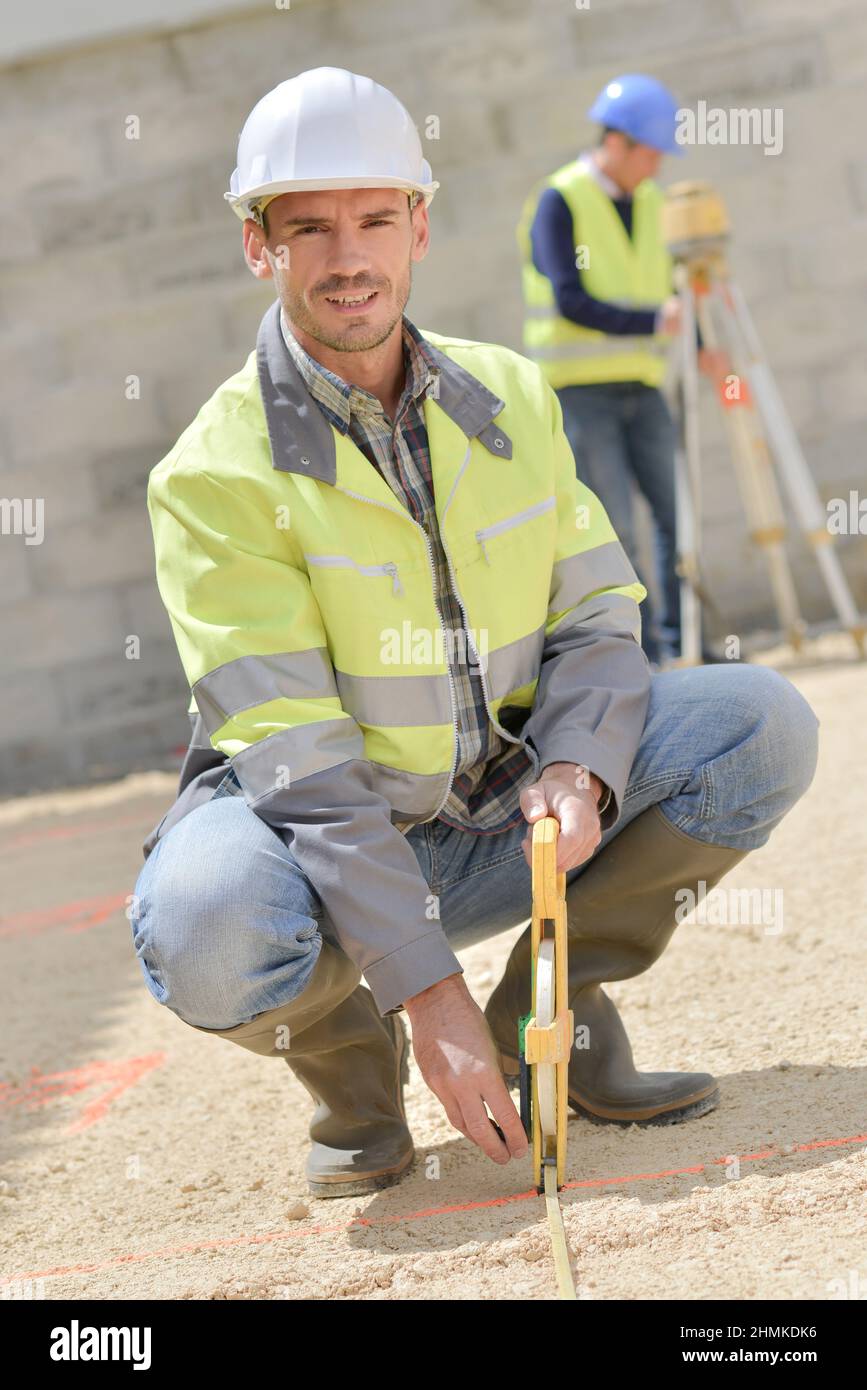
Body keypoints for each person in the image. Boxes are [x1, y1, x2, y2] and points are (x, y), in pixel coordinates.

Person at [131, 67, 819, 1199]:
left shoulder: (508, 397)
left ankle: (552, 1013)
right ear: (259, 244)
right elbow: (298, 760)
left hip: (499, 804)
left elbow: (599, 611)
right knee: (208, 928)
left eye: (373, 220)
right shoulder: (211, 475)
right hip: (327, 845)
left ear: (421, 226)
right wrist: (422, 986)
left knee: (760, 725)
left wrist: (579, 762)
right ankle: (360, 1074)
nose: (348, 258)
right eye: (309, 229)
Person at [517, 73, 727, 665]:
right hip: (582, 395)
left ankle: (687, 643)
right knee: (615, 532)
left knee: (675, 516)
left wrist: (703, 339)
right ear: (619, 143)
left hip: (644, 384)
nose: (657, 167)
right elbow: (569, 299)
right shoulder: (560, 200)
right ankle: (642, 658)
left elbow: (674, 290)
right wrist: (653, 323)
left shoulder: (654, 203)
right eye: (653, 153)